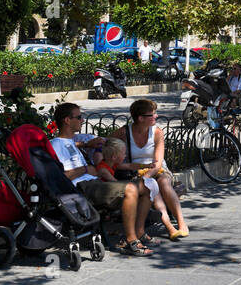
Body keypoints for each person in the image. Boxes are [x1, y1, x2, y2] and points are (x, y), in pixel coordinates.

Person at [52, 103, 153, 256]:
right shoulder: (55, 145)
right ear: (67, 120)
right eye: (79, 117)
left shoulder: (71, 142)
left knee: (145, 186)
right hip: (82, 188)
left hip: (95, 182)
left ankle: (138, 232)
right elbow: (60, 177)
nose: (83, 120)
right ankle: (131, 241)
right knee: (131, 189)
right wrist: (85, 170)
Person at [108, 99, 190, 239]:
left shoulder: (157, 132)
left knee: (163, 182)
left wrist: (146, 177)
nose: (156, 116)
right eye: (152, 114)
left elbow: (158, 163)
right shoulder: (124, 132)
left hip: (157, 169)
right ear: (140, 118)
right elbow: (106, 144)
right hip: (136, 170)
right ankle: (169, 227)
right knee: (152, 188)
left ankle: (182, 223)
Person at [95, 137, 181, 240]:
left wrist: (146, 166)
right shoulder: (103, 169)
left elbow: (130, 166)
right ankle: (150, 223)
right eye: (123, 153)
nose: (125, 155)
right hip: (108, 197)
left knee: (149, 186)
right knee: (145, 189)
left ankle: (156, 222)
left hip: (115, 192)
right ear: (114, 157)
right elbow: (116, 184)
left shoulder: (112, 164)